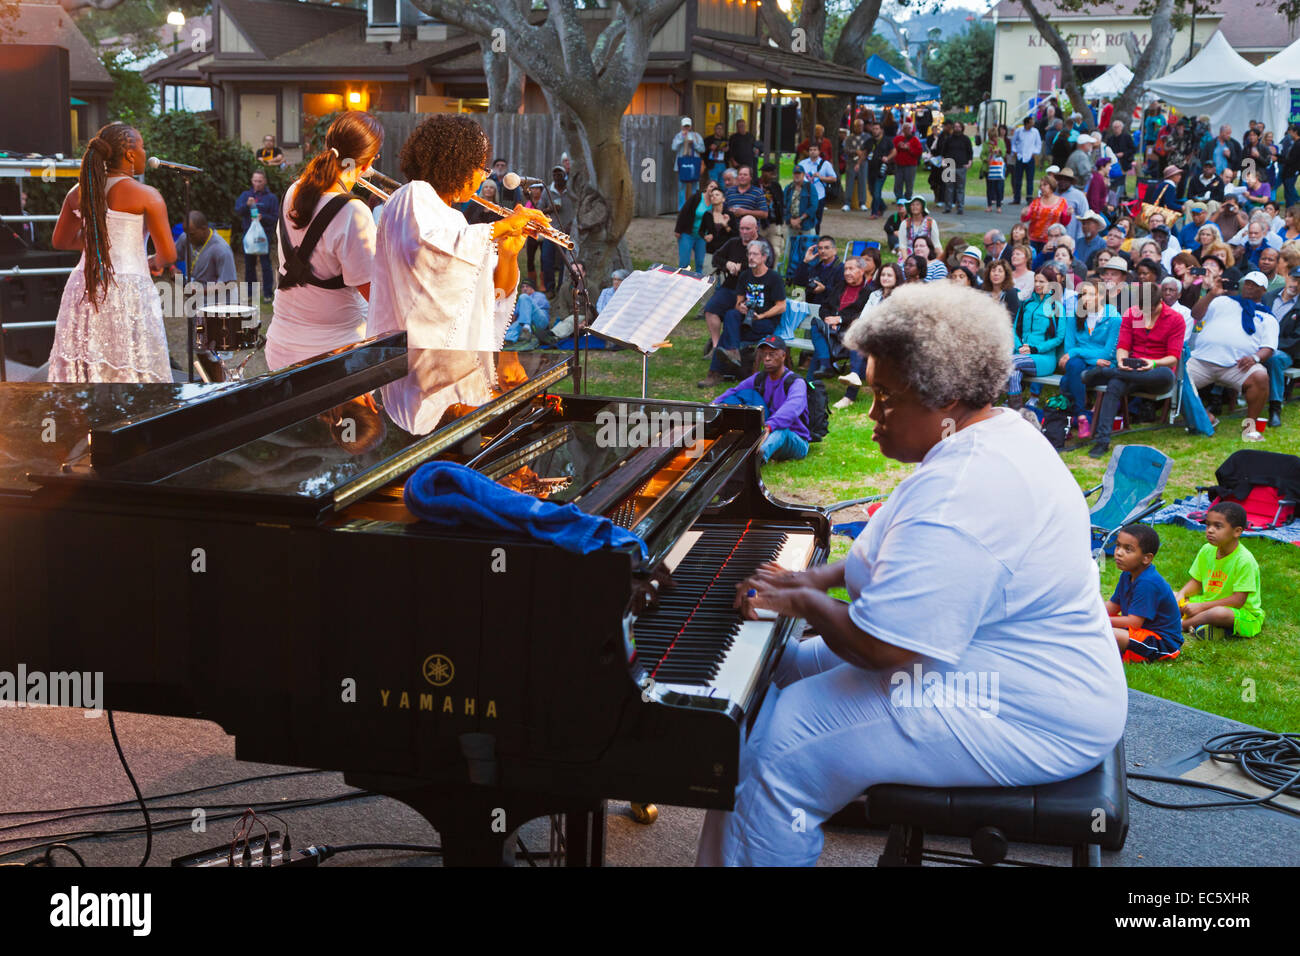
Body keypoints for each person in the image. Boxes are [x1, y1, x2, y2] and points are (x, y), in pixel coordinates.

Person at [696, 281, 1127, 867]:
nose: (872, 415)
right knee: (774, 670)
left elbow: (883, 647)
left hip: (1033, 710)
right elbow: (908, 561)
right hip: (981, 657)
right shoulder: (989, 431)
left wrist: (805, 604)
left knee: (784, 748)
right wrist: (816, 581)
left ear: (945, 396)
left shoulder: (968, 489)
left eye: (886, 397)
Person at [366, 114, 550, 434]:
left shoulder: (454, 219)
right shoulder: (412, 196)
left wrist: (508, 254)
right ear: (456, 165)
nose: (482, 177)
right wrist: (501, 226)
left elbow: (492, 296)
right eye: (480, 168)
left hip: (453, 366)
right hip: (417, 371)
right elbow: (428, 247)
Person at [49, 122, 176, 383]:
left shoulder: (79, 191)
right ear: (130, 154)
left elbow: (60, 241)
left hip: (83, 285)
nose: (143, 152)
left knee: (87, 369)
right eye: (141, 147)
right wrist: (155, 261)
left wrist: (98, 243)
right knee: (128, 369)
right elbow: (169, 255)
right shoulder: (147, 195)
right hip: (126, 288)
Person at [263, 112, 383, 369]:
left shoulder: (294, 190)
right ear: (366, 164)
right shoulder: (353, 211)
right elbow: (377, 296)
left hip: (281, 347)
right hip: (335, 356)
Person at [1085, 281, 1183, 458]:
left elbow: (1173, 358)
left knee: (1164, 375)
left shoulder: (1175, 319)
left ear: (1159, 302)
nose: (1144, 313)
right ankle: (1102, 441)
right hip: (1131, 370)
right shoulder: (1133, 314)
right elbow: (1123, 345)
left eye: (1149, 310)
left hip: (1157, 374)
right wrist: (1121, 360)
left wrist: (1153, 363)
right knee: (1115, 385)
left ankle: (1104, 372)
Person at [1187, 269, 1276, 440]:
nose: (1249, 287)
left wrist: (1255, 358)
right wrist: (1211, 294)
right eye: (1247, 283)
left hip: (1237, 367)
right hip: (1202, 361)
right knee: (1178, 378)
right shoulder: (1221, 301)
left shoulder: (1267, 317)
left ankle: (1249, 428)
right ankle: (1206, 418)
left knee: (1260, 376)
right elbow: (1196, 314)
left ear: (1263, 290)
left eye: (1255, 285)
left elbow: (1269, 347)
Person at [698, 239, 786, 388]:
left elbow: (781, 306)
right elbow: (738, 302)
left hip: (765, 322)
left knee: (726, 334)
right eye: (749, 254)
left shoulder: (774, 278)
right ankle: (733, 352)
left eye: (755, 254)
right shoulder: (745, 276)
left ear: (764, 257)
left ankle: (715, 373)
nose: (751, 257)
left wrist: (762, 315)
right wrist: (741, 307)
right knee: (732, 314)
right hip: (747, 321)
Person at [712, 335, 810, 463]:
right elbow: (734, 391)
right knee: (740, 397)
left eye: (772, 354)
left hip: (795, 439)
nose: (767, 358)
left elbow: (791, 409)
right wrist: (713, 405)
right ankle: (725, 451)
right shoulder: (760, 378)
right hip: (765, 432)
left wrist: (769, 426)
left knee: (781, 431)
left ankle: (755, 460)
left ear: (784, 356)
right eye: (764, 354)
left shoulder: (796, 382)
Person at [1177, 502, 1265, 640]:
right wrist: (1181, 594)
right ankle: (1210, 628)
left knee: (1217, 614)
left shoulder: (1244, 560)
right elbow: (1197, 582)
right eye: (1208, 525)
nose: (1210, 530)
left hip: (1239, 612)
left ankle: (1181, 625)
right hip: (1208, 602)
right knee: (1169, 595)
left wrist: (1201, 607)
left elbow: (1238, 601)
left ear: (1237, 531)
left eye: (1218, 526)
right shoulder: (1207, 549)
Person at [1108, 524, 1185, 663]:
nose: (1118, 552)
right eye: (1118, 546)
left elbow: (1134, 622)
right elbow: (1113, 606)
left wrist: (1100, 620)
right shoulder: (1127, 574)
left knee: (1108, 633)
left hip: (1161, 643)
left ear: (1146, 558)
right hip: (1140, 632)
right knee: (1097, 626)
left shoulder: (1148, 582)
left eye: (1128, 549)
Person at [1059, 279, 1121, 434]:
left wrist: (1078, 352)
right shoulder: (1075, 316)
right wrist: (1089, 357)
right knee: (1074, 366)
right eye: (1083, 294)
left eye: (1091, 294)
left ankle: (1076, 416)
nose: (1086, 298)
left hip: (1103, 367)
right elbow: (1069, 348)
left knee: (1067, 378)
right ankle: (1081, 416)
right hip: (1083, 364)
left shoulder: (1114, 318)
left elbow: (1107, 355)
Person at [701, 214, 760, 357]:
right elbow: (716, 257)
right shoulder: (733, 242)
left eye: (748, 229)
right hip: (730, 285)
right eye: (741, 229)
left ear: (756, 228)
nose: (744, 232)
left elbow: (765, 266)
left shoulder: (763, 245)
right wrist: (727, 264)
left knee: (732, 315)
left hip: (752, 290)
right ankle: (716, 346)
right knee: (710, 309)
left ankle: (730, 347)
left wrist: (743, 267)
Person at [1006, 265, 1064, 404]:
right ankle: (1015, 412)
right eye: (1036, 281)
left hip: (1043, 358)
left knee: (1009, 362)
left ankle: (990, 401)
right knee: (1014, 374)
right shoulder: (1026, 304)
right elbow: (1015, 330)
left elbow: (1059, 338)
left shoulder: (1056, 307)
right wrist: (1020, 347)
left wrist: (1034, 349)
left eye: (1042, 281)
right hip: (1020, 354)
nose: (1037, 284)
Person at [811, 254, 870, 380]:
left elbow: (863, 315)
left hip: (850, 333)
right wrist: (828, 318)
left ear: (861, 271)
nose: (847, 273)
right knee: (815, 323)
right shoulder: (840, 286)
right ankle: (823, 368)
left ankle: (819, 374)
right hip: (831, 329)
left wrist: (840, 320)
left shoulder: (868, 291)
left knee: (820, 349)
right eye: (845, 269)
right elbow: (824, 307)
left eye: (851, 269)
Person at [235, 169, 281, 301]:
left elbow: (276, 217)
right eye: (255, 181)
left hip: (264, 236)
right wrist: (246, 206)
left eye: (260, 181)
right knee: (249, 265)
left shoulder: (271, 198)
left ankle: (267, 293)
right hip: (249, 236)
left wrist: (263, 217)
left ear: (265, 181)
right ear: (251, 181)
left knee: (266, 265)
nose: (257, 184)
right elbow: (237, 211)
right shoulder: (246, 195)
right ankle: (250, 293)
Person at [174, 210, 236, 285]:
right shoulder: (185, 238)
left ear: (204, 229)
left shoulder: (221, 249)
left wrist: (199, 291)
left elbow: (228, 284)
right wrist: (172, 268)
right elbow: (170, 257)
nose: (188, 238)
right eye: (186, 233)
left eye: (192, 234)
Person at [1021, 174, 1070, 253]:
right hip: (1033, 239)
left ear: (1052, 186)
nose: (1042, 187)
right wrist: (1024, 214)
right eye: (1040, 186)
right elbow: (1025, 219)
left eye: (1045, 185)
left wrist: (1068, 215)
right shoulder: (1036, 201)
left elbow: (1064, 222)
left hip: (1051, 240)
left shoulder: (1062, 202)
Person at [793, 235, 843, 312]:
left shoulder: (841, 268)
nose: (823, 251)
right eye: (820, 248)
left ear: (835, 250)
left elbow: (841, 293)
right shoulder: (816, 267)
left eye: (826, 248)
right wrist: (805, 261)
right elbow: (798, 282)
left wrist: (824, 289)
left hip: (830, 310)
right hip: (810, 307)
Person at [503, 276, 552, 347]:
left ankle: (526, 328)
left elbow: (530, 310)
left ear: (533, 288)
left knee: (524, 298)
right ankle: (509, 340)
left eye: (527, 286)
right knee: (513, 328)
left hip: (540, 320)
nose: (525, 288)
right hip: (527, 322)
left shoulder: (539, 295)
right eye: (522, 287)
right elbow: (514, 316)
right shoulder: (521, 300)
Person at [796, 143, 835, 231]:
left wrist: (821, 177)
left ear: (819, 151)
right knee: (804, 216)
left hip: (819, 195)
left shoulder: (825, 164)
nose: (812, 152)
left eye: (815, 150)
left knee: (817, 219)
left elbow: (833, 178)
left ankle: (816, 238)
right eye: (810, 150)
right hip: (805, 194)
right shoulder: (803, 163)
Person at [674, 181, 711, 272]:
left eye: (715, 187)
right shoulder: (697, 197)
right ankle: (681, 282)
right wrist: (678, 230)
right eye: (711, 186)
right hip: (687, 234)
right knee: (684, 263)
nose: (713, 189)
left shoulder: (715, 203)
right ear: (707, 188)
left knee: (701, 263)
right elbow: (684, 212)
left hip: (702, 237)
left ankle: (699, 284)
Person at [671, 116, 706, 208]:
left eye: (688, 126)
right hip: (682, 164)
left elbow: (702, 149)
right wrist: (682, 139)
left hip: (694, 163)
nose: (686, 128)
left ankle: (694, 206)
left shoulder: (696, 136)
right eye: (684, 126)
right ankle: (682, 208)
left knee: (695, 186)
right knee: (681, 187)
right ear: (681, 126)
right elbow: (674, 147)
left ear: (691, 126)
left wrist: (694, 143)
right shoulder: (678, 136)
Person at [940, 121, 973, 214]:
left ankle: (960, 208)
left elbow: (970, 152)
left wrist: (969, 163)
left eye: (959, 127)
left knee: (960, 188)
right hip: (949, 165)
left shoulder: (966, 139)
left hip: (961, 166)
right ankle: (948, 207)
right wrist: (943, 162)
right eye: (955, 127)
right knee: (949, 188)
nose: (957, 128)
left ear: (962, 128)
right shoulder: (949, 139)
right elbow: (943, 152)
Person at [886, 122, 924, 202]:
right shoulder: (897, 139)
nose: (907, 130)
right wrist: (899, 147)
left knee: (909, 183)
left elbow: (919, 152)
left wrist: (909, 148)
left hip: (910, 165)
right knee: (898, 183)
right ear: (902, 129)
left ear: (911, 129)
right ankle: (899, 198)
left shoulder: (915, 140)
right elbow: (892, 150)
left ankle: (908, 198)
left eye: (908, 128)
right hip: (899, 164)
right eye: (905, 128)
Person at [1009, 116, 1041, 207]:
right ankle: (1017, 197)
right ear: (1027, 123)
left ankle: (1029, 197)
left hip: (1030, 157)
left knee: (1030, 178)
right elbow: (1014, 142)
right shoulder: (1019, 131)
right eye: (1031, 122)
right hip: (1020, 157)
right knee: (1017, 179)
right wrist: (1014, 151)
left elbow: (1038, 144)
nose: (1032, 124)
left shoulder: (1035, 132)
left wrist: (1035, 153)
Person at [784, 167, 817, 242]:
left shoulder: (810, 187)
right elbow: (784, 206)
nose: (797, 175)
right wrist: (791, 220)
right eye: (795, 173)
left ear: (803, 174)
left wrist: (799, 220)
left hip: (807, 226)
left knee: (808, 250)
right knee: (791, 251)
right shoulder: (788, 188)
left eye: (799, 173)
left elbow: (813, 207)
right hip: (792, 226)